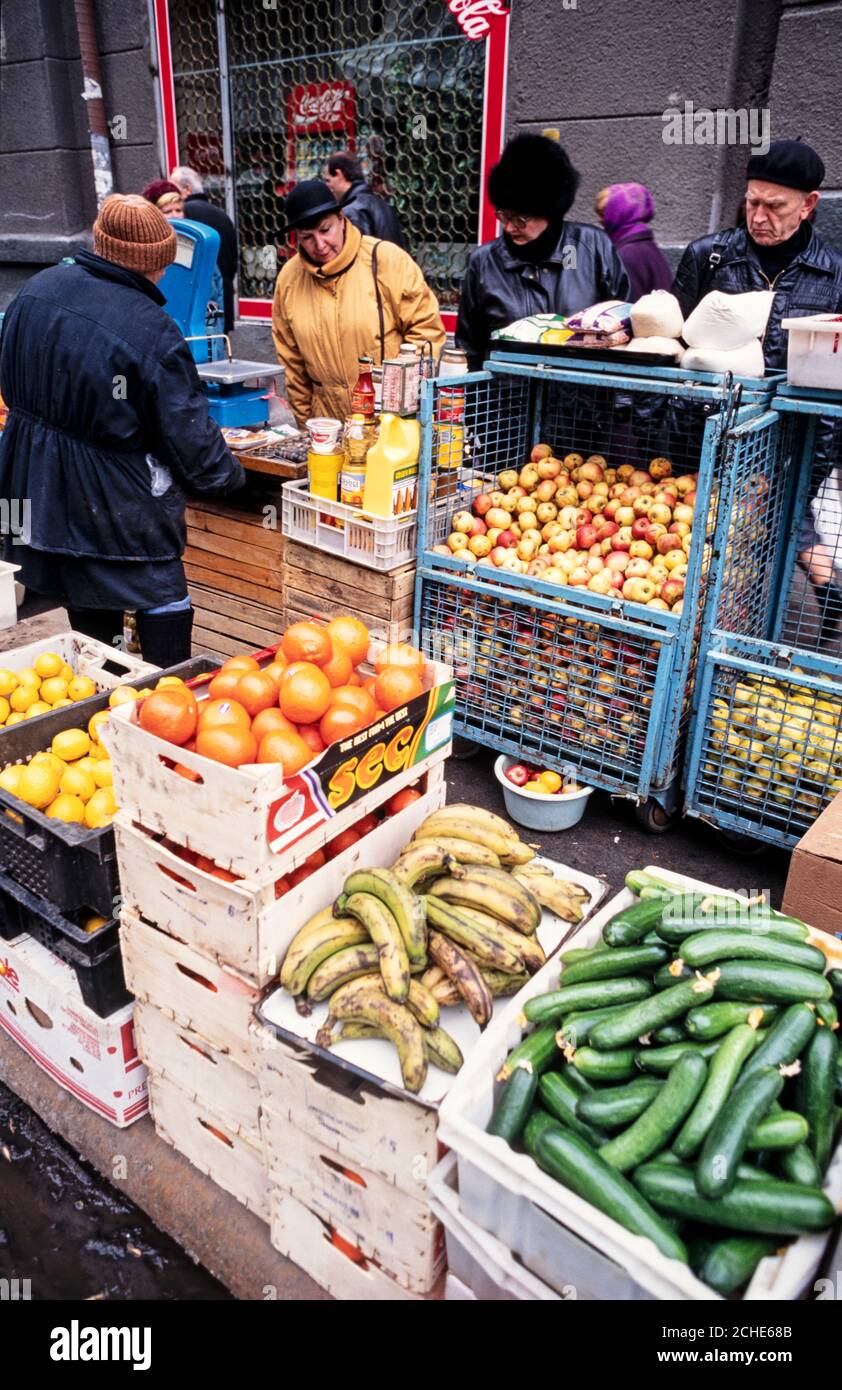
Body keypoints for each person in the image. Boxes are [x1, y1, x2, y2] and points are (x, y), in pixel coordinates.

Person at [0, 194, 245, 665]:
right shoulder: (150, 328)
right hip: (115, 509)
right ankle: (167, 699)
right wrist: (232, 479)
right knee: (163, 597)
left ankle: (104, 700)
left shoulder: (34, 291)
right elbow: (189, 437)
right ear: (154, 262)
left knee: (89, 613)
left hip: (40, 491)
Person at [673, 138, 842, 643]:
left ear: (809, 204)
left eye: (775, 205)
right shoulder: (710, 257)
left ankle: (748, 646)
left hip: (787, 444)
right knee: (696, 552)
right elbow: (667, 345)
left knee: (761, 553)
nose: (759, 216)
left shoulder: (834, 275)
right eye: (752, 201)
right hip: (704, 433)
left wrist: (810, 468)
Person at [271, 180, 445, 426]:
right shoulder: (289, 279)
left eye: (325, 230)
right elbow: (292, 364)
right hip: (327, 424)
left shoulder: (386, 260)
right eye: (307, 237)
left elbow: (426, 334)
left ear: (342, 218)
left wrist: (399, 409)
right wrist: (307, 425)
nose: (319, 245)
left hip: (389, 423)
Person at [456, 134, 630, 369]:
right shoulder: (485, 262)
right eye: (503, 215)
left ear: (549, 211)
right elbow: (469, 348)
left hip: (582, 397)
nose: (508, 227)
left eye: (519, 219)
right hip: (506, 399)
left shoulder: (592, 248)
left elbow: (625, 333)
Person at [170, 165, 239, 334]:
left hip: (198, 308)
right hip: (223, 305)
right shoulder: (223, 215)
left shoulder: (184, 216)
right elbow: (233, 262)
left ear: (186, 189)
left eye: (174, 188)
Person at [595, 183, 673, 299]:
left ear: (618, 214)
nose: (599, 220)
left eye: (603, 214)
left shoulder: (626, 255)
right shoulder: (646, 245)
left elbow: (626, 308)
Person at [325, 152, 406, 248]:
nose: (327, 186)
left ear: (338, 174)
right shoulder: (380, 203)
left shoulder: (352, 210)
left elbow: (360, 254)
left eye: (328, 180)